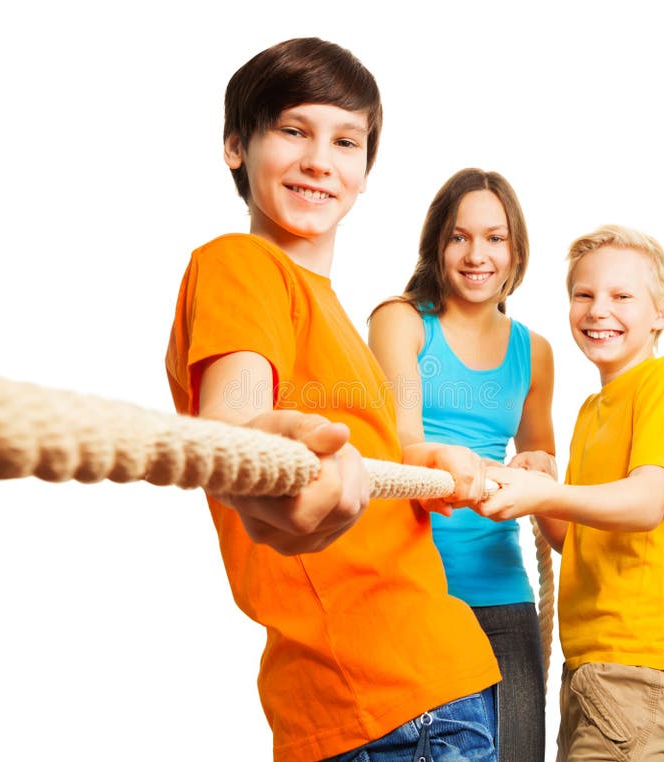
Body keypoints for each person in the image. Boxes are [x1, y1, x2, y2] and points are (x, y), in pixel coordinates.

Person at [164, 38, 503, 762]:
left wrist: (431, 455)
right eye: (293, 130)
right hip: (381, 700)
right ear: (235, 146)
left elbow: (376, 456)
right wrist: (264, 452)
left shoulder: (336, 315)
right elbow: (237, 427)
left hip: (427, 688)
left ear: (363, 173)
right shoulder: (240, 264)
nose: (321, 159)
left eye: (346, 141)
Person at [484, 224, 664, 760]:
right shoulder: (592, 411)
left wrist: (544, 496)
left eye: (621, 296)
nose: (597, 310)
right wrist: (540, 489)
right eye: (583, 295)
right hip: (594, 674)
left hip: (644, 674)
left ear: (661, 312)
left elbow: (644, 504)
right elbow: (579, 539)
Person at [368, 167, 555, 762]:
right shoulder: (400, 320)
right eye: (459, 236)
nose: (478, 255)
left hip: (504, 595)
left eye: (495, 238)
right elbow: (398, 448)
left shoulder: (535, 351)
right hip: (416, 591)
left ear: (516, 249)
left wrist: (542, 471)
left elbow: (547, 496)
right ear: (437, 245)